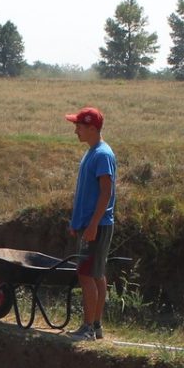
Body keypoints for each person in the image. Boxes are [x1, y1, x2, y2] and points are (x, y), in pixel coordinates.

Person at [65, 105, 115, 340]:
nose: (76, 130)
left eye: (79, 126)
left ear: (92, 128)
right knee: (95, 274)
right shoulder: (92, 152)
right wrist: (77, 222)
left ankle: (88, 328)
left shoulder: (103, 155)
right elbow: (87, 193)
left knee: (86, 275)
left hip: (97, 225)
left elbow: (106, 192)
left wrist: (93, 224)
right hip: (88, 224)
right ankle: (95, 326)